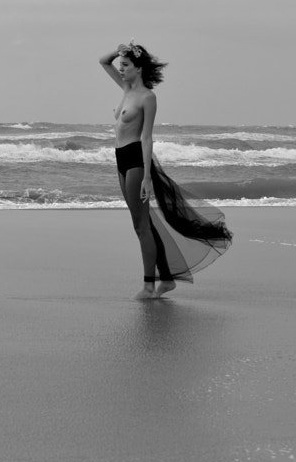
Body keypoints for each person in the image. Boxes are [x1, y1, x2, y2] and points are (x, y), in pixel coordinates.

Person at [99, 40, 233, 299]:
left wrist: (147, 176)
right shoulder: (125, 87)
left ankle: (150, 286)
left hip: (137, 159)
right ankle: (167, 280)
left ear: (138, 69)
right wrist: (120, 50)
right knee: (143, 223)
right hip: (120, 158)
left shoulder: (148, 97)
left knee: (141, 226)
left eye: (126, 65)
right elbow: (103, 62)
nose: (122, 69)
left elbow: (147, 138)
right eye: (121, 66)